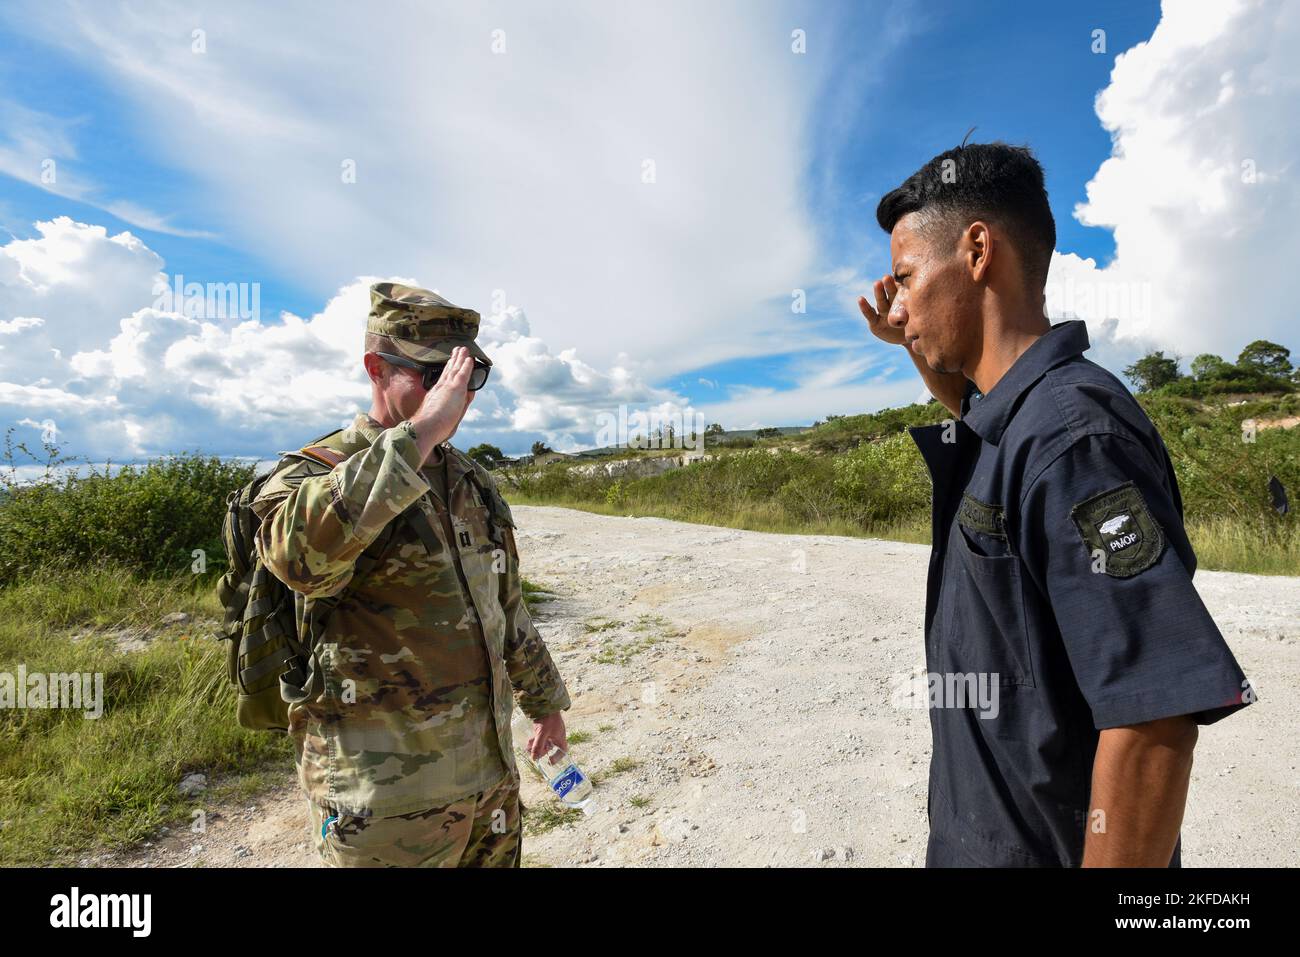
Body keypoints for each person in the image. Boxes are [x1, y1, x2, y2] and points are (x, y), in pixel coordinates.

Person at [859, 142, 1253, 867]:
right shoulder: (1014, 419)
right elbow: (979, 412)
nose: (900, 304)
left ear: (978, 249)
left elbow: (1154, 717)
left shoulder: (1074, 438)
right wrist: (912, 344)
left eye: (908, 278)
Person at [251, 281, 571, 867]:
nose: (456, 394)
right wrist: (421, 433)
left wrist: (546, 705)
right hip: (385, 802)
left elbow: (505, 607)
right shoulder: (313, 472)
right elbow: (299, 561)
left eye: (467, 374)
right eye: (433, 375)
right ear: (376, 367)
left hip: (489, 779)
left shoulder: (470, 480)